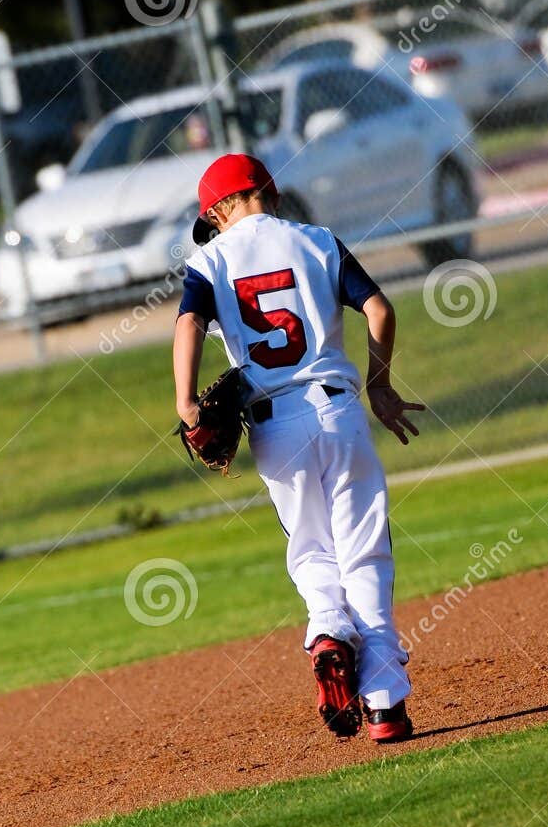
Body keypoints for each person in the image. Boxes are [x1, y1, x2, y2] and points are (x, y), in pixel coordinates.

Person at [173, 153, 424, 743]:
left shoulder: (209, 259)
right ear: (272, 193)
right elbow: (380, 310)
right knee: (365, 554)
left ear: (216, 211)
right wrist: (380, 384)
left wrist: (187, 406)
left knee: (312, 550)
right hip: (338, 409)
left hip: (273, 425)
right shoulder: (318, 241)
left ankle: (328, 633)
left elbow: (188, 324)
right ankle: (385, 705)